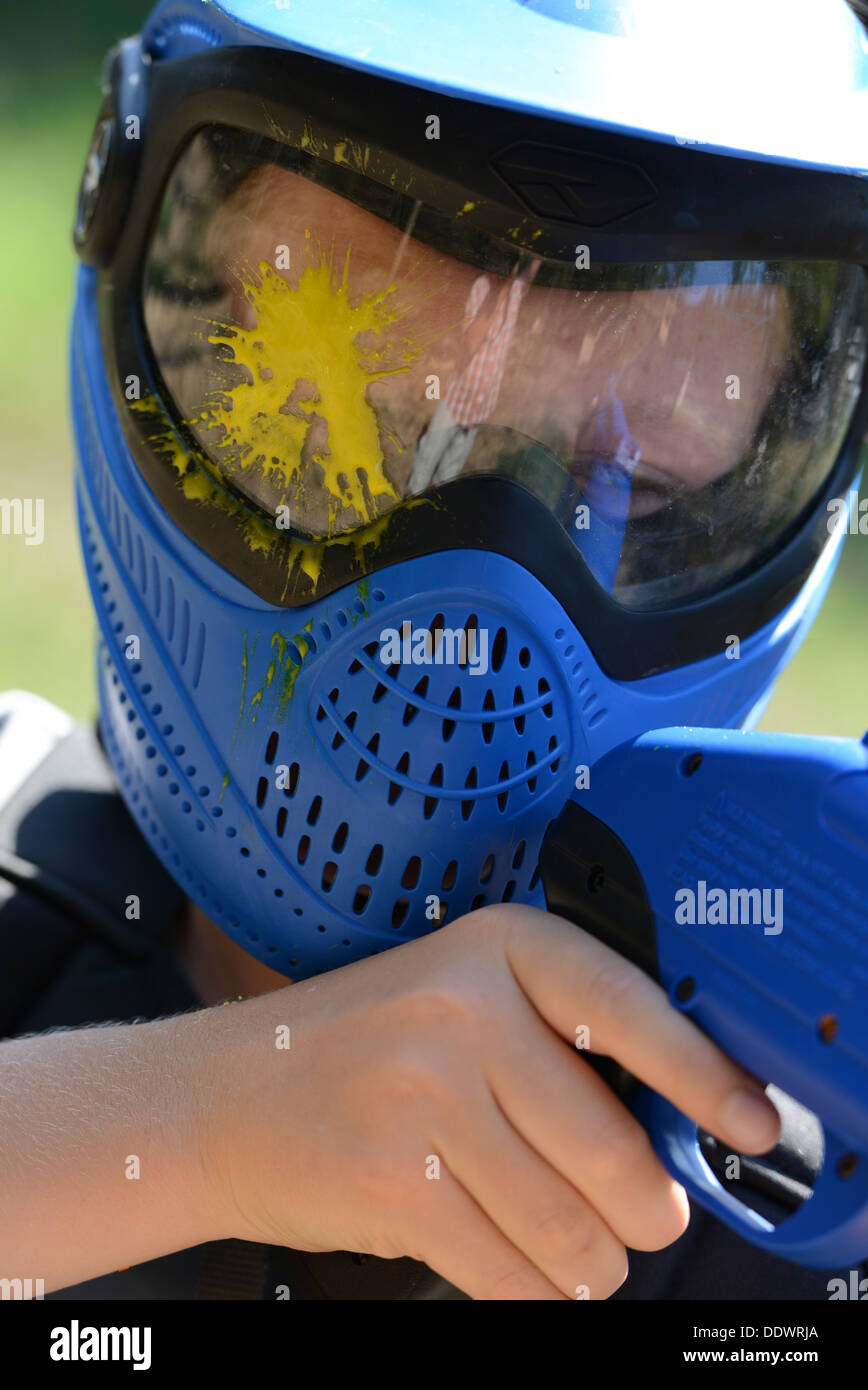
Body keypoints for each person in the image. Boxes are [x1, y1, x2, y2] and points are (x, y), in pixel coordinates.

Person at [3, 0, 868, 1301]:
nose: (471, 640)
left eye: (639, 483)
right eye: (338, 430)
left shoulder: (795, 1181)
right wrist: (202, 1124)